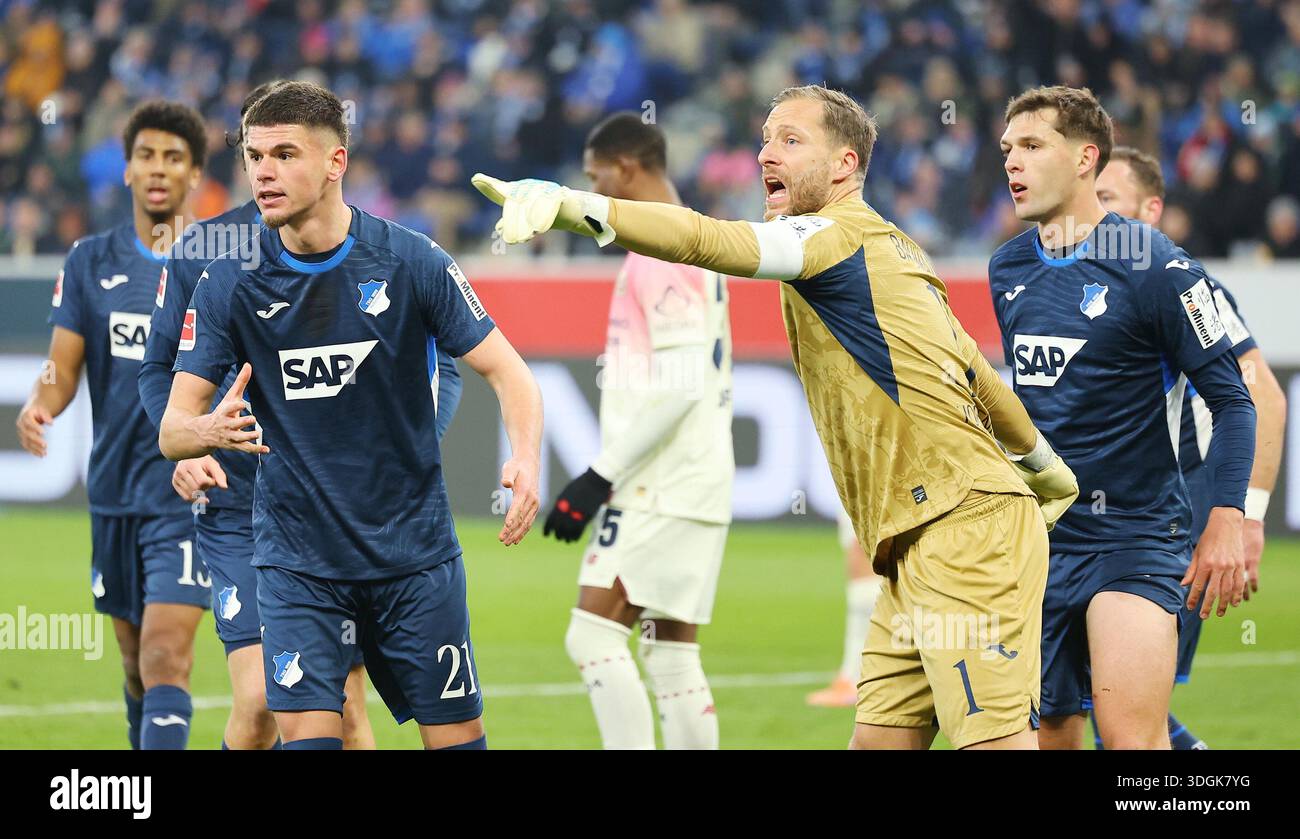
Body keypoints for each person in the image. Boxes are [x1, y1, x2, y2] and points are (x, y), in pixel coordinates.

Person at [474, 84, 1079, 750]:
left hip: (961, 529)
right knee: (878, 742)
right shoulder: (897, 248)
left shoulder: (831, 235)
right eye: (765, 137)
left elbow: (708, 239)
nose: (767, 152)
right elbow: (977, 373)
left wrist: (572, 205)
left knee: (994, 742)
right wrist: (1046, 469)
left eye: (791, 140)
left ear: (845, 164)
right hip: (912, 541)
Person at [161, 81, 543, 749]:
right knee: (297, 728)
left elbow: (510, 371)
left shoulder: (411, 260)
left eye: (286, 154)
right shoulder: (228, 281)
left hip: (413, 559)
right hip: (296, 563)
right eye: (254, 156)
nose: (265, 172)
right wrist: (204, 432)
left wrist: (526, 455)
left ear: (336, 162)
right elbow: (173, 428)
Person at [990, 86, 1256, 749]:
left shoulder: (1157, 265)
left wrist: (1228, 514)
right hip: (1045, 540)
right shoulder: (1008, 268)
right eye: (1005, 149)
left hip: (1136, 536)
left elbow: (1235, 400)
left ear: (1085, 158)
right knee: (1052, 731)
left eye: (1030, 146)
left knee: (1131, 738)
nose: (1012, 163)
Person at [16, 101, 212, 749]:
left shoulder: (219, 268)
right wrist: (41, 402)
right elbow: (61, 366)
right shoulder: (89, 261)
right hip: (114, 493)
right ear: (127, 170)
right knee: (134, 666)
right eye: (147, 155)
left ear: (194, 175)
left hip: (188, 496)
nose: (158, 169)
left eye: (174, 158)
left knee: (163, 656)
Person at [544, 112, 733, 749]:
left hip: (662, 482)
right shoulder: (694, 240)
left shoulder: (662, 249)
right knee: (670, 655)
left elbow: (678, 385)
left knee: (591, 636)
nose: (593, 189)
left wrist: (600, 475)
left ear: (626, 167)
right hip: (694, 477)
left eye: (596, 176)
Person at [1093, 145, 1287, 749]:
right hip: (1096, 519)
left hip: (1171, 513)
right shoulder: (1070, 283)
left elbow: (1264, 398)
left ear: (1151, 211)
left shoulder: (1185, 284)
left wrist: (1247, 518)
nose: (1091, 216)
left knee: (1121, 710)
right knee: (1096, 705)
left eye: (1107, 201)